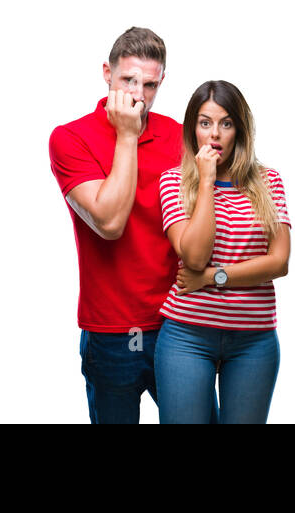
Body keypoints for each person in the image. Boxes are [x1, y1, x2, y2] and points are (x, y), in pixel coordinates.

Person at [48, 27, 183, 423]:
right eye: (128, 80)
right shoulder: (71, 138)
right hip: (111, 327)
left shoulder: (178, 134)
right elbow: (109, 222)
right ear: (107, 73)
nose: (139, 95)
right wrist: (127, 135)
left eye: (150, 84)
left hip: (179, 322)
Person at [155, 80, 290, 424]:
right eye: (205, 123)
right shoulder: (173, 181)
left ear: (239, 130)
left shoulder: (269, 181)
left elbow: (279, 262)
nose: (214, 134)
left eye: (226, 123)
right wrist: (206, 182)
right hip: (187, 335)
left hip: (253, 339)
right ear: (193, 129)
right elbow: (195, 257)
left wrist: (214, 277)